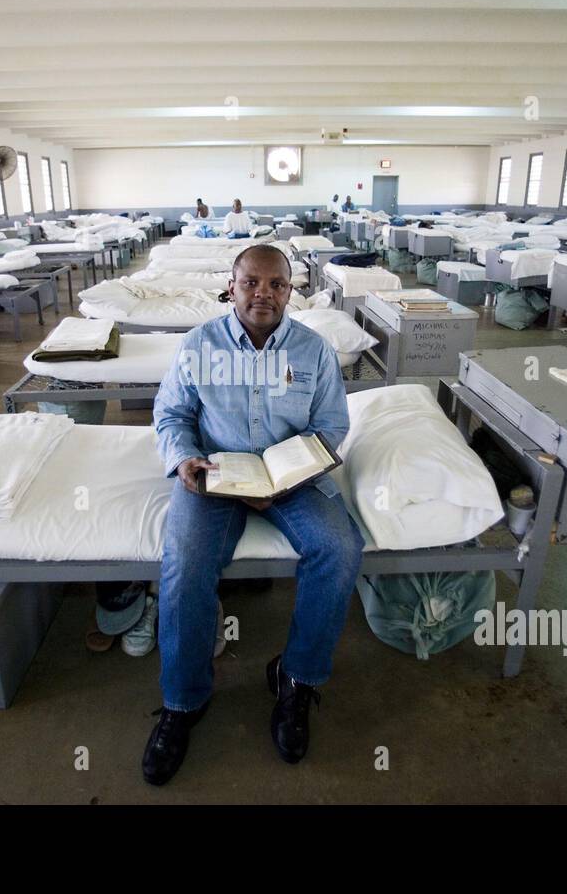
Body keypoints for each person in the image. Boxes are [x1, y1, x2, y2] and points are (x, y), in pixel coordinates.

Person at [143, 244, 365, 786]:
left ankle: (296, 681)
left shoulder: (313, 350)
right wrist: (185, 459)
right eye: (251, 282)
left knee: (339, 546)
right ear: (231, 284)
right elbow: (171, 414)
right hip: (216, 475)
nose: (263, 293)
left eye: (276, 284)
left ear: (291, 291)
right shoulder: (199, 345)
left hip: (291, 479)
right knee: (186, 561)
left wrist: (295, 471)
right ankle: (182, 701)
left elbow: (332, 426)